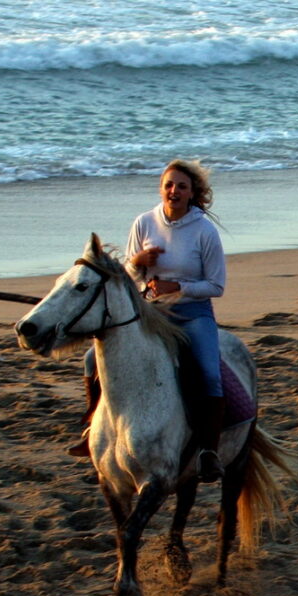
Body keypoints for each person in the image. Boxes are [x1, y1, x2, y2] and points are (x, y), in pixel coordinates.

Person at [69, 159, 228, 482]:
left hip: (192, 313)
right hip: (150, 312)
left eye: (182, 186)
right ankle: (92, 429)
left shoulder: (204, 231)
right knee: (91, 359)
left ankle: (208, 451)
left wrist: (177, 287)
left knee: (209, 374)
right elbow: (129, 279)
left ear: (192, 192)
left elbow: (216, 286)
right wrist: (136, 263)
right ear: (161, 189)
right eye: (169, 185)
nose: (174, 191)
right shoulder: (144, 222)